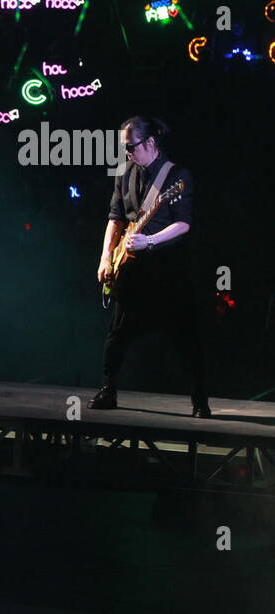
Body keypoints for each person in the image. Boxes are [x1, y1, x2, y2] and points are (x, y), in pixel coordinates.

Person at [90, 115, 209, 417]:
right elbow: (115, 217)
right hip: (130, 267)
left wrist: (151, 241)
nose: (128, 153)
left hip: (167, 267)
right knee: (117, 331)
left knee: (185, 334)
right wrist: (106, 256)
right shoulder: (124, 172)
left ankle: (199, 399)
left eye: (132, 147)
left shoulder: (177, 176)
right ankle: (108, 389)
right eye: (124, 148)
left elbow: (183, 223)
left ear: (151, 142)